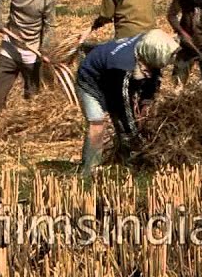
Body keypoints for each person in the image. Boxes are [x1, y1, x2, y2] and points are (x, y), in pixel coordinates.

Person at [75, 29, 181, 179]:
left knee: (126, 121)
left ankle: (126, 162)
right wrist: (136, 136)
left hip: (110, 76)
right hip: (90, 80)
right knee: (98, 123)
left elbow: (154, 74)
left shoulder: (149, 44)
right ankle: (88, 171)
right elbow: (122, 105)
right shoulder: (122, 66)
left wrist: (146, 102)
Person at [0, 0, 59, 111]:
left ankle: (30, 122)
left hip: (32, 50)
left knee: (33, 93)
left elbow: (50, 25)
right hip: (10, 45)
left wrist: (44, 49)